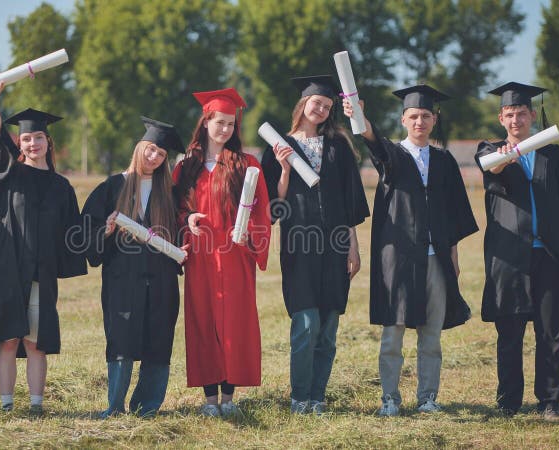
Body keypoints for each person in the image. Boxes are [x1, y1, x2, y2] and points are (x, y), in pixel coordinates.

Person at [344, 85, 478, 416]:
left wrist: (453, 257)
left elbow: (455, 213)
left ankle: (428, 398)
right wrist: (358, 115)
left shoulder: (445, 161)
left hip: (436, 258)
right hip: (400, 260)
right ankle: (390, 399)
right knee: (394, 333)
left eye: (426, 116)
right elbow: (371, 139)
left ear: (435, 119)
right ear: (404, 119)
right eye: (414, 116)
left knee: (431, 334)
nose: (420, 121)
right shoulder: (392, 155)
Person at [475, 82, 559, 422]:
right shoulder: (490, 150)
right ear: (501, 118)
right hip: (509, 256)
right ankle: (508, 402)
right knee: (509, 331)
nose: (516, 120)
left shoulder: (554, 155)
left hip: (550, 255)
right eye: (509, 114)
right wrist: (511, 152)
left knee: (552, 331)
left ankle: (550, 402)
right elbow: (492, 168)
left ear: (533, 115)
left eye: (522, 114)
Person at [0, 79, 87, 415]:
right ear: (20, 144)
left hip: (41, 272)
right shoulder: (9, 173)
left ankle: (37, 405)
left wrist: (104, 230)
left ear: (48, 141)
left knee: (35, 340)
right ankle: (7, 404)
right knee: (8, 338)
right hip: (7, 270)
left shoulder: (61, 186)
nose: (33, 142)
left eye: (38, 137)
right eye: (26, 138)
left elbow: (74, 231)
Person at [260, 76, 369, 415]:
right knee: (305, 324)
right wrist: (282, 169)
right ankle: (299, 397)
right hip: (298, 246)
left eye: (327, 106)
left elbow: (351, 204)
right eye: (315, 103)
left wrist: (353, 248)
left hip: (336, 246)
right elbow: (273, 206)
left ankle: (318, 397)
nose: (320, 109)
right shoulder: (280, 146)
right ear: (303, 105)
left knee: (328, 327)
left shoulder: (339, 147)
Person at [172, 88, 272, 417]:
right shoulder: (186, 167)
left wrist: (249, 237)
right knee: (203, 321)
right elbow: (173, 209)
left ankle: (229, 398)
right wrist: (187, 219)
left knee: (236, 323)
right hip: (201, 255)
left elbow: (262, 212)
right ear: (205, 123)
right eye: (219, 122)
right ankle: (209, 399)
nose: (225, 129)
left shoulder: (247, 165)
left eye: (231, 124)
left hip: (235, 255)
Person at [81, 116, 186, 418]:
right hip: (122, 279)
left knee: (158, 339)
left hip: (161, 279)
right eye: (151, 149)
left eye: (161, 154)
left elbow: (180, 230)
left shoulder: (169, 191)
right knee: (122, 340)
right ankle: (114, 406)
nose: (154, 157)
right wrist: (108, 231)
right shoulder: (112, 187)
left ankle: (148, 407)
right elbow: (88, 230)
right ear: (140, 147)